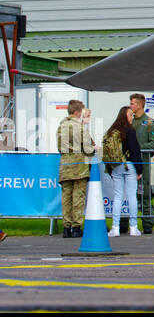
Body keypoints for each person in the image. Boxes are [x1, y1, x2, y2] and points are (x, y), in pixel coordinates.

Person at [57, 100, 96, 238]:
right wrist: (93, 149)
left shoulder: (61, 126)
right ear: (77, 112)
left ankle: (66, 228)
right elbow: (88, 149)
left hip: (65, 166)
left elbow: (59, 147)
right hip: (79, 167)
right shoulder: (80, 127)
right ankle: (76, 227)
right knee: (78, 197)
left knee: (66, 197)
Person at [102, 106, 143, 237]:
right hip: (129, 165)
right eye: (131, 115)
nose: (133, 117)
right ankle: (133, 227)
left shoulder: (112, 131)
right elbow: (135, 151)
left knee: (118, 196)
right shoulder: (129, 130)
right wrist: (139, 169)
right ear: (126, 116)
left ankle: (115, 227)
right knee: (131, 195)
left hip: (116, 167)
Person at [129, 94, 154, 235]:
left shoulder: (149, 122)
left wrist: (137, 148)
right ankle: (126, 222)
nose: (131, 106)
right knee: (127, 194)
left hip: (144, 165)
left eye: (133, 103)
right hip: (129, 164)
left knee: (144, 194)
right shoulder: (128, 122)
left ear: (140, 105)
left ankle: (147, 223)